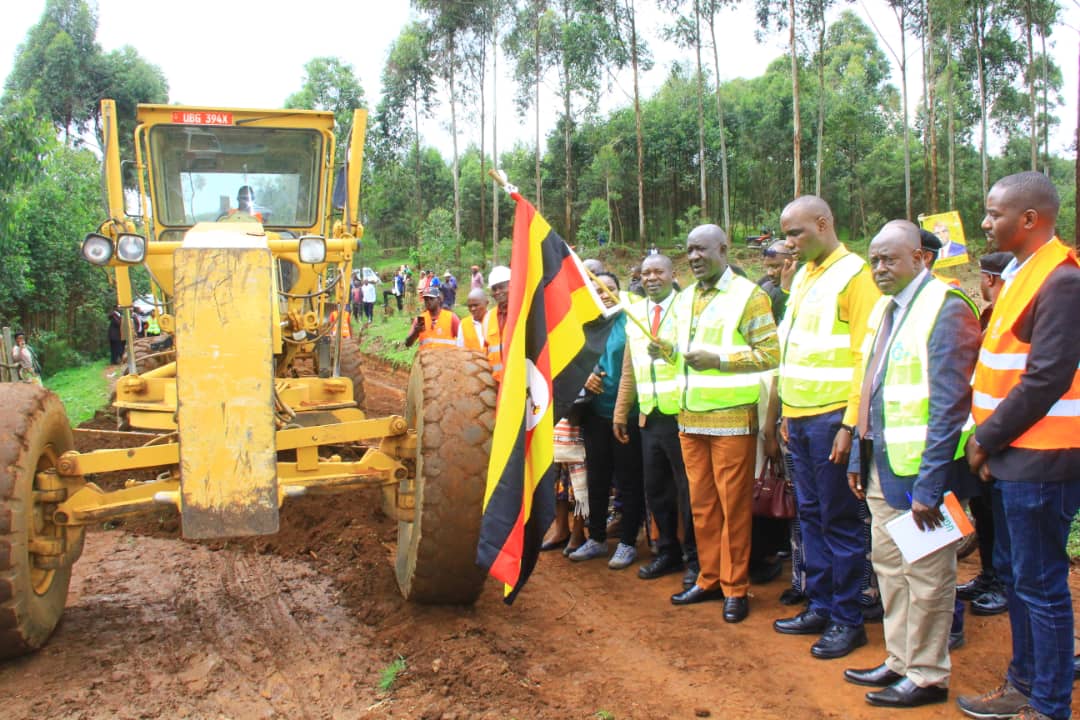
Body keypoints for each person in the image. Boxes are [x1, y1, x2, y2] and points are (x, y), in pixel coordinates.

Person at [842, 220, 980, 708]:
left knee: (927, 574)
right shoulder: (887, 307)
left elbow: (949, 406)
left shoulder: (946, 307)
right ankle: (899, 660)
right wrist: (860, 449)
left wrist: (932, 484)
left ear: (920, 258)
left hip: (925, 473)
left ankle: (927, 674)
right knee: (889, 566)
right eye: (874, 258)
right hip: (883, 464)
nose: (879, 267)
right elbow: (873, 384)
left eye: (889, 259)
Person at [958, 172, 1080, 720]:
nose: (985, 223)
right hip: (1015, 455)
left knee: (1042, 585)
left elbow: (1046, 378)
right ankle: (1023, 684)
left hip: (1044, 459)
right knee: (1021, 581)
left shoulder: (1062, 281)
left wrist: (985, 439)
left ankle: (1048, 703)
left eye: (993, 213)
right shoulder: (1020, 273)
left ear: (1029, 219)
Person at [767, 195, 881, 659]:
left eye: (796, 233)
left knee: (840, 522)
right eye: (786, 235)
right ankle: (820, 603)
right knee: (810, 516)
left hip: (833, 417)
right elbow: (793, 352)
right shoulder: (804, 278)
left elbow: (864, 357)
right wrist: (784, 414)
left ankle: (848, 618)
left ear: (823, 222)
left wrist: (849, 425)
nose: (789, 243)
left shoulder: (855, 275)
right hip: (799, 417)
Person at [651, 224, 780, 624]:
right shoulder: (683, 297)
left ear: (723, 249)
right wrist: (666, 350)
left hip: (731, 420)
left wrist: (720, 361)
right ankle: (708, 578)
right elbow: (680, 353)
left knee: (733, 507)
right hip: (689, 419)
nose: (693, 257)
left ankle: (735, 587)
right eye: (688, 250)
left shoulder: (750, 296)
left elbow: (770, 354)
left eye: (701, 249)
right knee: (702, 506)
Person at [613, 254, 699, 589]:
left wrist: (669, 350)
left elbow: (693, 354)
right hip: (649, 417)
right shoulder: (636, 314)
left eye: (658, 272)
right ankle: (668, 552)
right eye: (645, 272)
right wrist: (622, 412)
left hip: (682, 414)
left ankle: (695, 560)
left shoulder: (685, 309)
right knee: (657, 490)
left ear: (672, 275)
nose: (651, 278)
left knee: (688, 491)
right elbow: (629, 368)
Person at [568, 272, 646, 572]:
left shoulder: (630, 322)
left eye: (610, 289)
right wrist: (584, 375)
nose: (604, 294)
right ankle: (596, 537)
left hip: (626, 412)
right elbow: (573, 360)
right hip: (593, 412)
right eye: (598, 290)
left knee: (628, 479)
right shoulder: (586, 323)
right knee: (596, 478)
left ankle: (627, 541)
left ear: (619, 291)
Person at [954, 251, 1014, 619]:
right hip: (979, 432)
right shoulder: (991, 315)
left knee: (1005, 515)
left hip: (1002, 438)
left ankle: (1005, 583)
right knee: (985, 509)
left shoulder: (1017, 318)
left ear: (990, 279)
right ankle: (989, 574)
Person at [404, 286, 460, 350]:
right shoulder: (419, 319)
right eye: (426, 299)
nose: (428, 301)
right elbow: (407, 344)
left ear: (439, 299)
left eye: (431, 298)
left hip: (446, 358)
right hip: (426, 359)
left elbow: (463, 339)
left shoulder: (451, 317)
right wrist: (416, 332)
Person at [483, 266, 511, 383]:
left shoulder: (523, 312)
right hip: (496, 384)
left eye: (501, 287)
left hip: (521, 385)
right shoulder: (488, 317)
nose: (498, 292)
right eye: (494, 289)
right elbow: (486, 350)